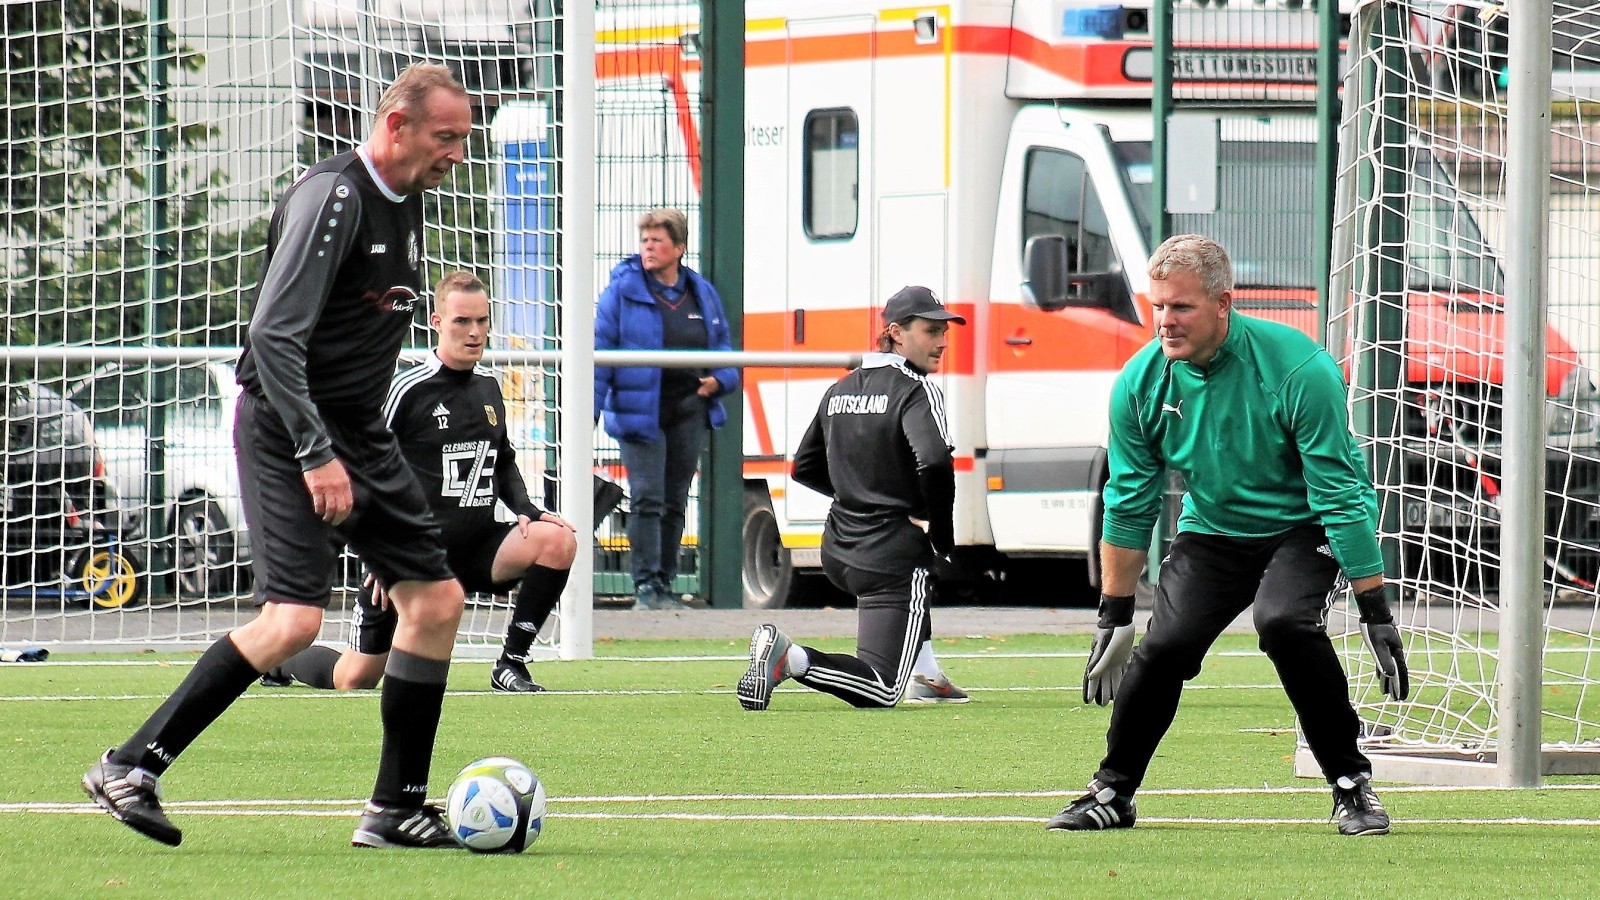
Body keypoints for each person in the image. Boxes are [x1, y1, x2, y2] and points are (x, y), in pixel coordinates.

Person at [81, 63, 476, 850]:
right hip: (289, 430)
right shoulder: (333, 198)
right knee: (293, 620)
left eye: (464, 139)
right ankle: (129, 766)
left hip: (360, 435)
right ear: (396, 126)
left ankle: (395, 808)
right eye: (446, 136)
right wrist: (315, 452)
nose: (458, 154)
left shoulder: (408, 200)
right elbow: (271, 335)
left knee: (435, 603)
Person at [1046, 235, 1409, 837]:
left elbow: (1339, 495)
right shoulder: (1139, 383)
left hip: (1304, 524)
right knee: (1166, 646)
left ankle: (1351, 786)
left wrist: (1375, 610)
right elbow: (1128, 503)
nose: (1165, 321)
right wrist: (1114, 613)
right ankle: (1112, 792)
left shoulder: (1297, 368)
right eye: (1158, 306)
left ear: (1222, 304)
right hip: (1214, 529)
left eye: (1181, 307)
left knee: (1284, 623)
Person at [260, 270, 578, 694]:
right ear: (436, 322)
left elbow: (502, 458)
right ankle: (281, 661)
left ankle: (511, 664)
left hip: (477, 549)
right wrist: (379, 552)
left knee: (557, 540)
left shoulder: (488, 387)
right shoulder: (407, 388)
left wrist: (526, 508)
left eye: (482, 321)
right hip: (411, 558)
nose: (474, 332)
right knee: (355, 679)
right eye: (462, 321)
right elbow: (358, 467)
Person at [737, 285, 970, 711]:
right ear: (896, 333)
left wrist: (857, 495)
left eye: (944, 331)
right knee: (883, 688)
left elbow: (803, 467)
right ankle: (791, 657)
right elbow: (935, 461)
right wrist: (940, 535)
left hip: (839, 549)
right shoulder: (915, 388)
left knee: (912, 592)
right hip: (889, 557)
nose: (942, 342)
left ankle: (927, 675)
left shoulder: (840, 389)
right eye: (931, 331)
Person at [594, 207, 739, 611]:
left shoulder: (701, 293)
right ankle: (644, 585)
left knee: (676, 499)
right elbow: (601, 354)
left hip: (689, 408)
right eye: (644, 240)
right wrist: (589, 411)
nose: (648, 247)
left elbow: (723, 347)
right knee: (647, 497)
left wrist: (721, 380)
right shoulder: (621, 292)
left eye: (657, 241)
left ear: (679, 248)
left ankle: (665, 583)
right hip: (639, 410)